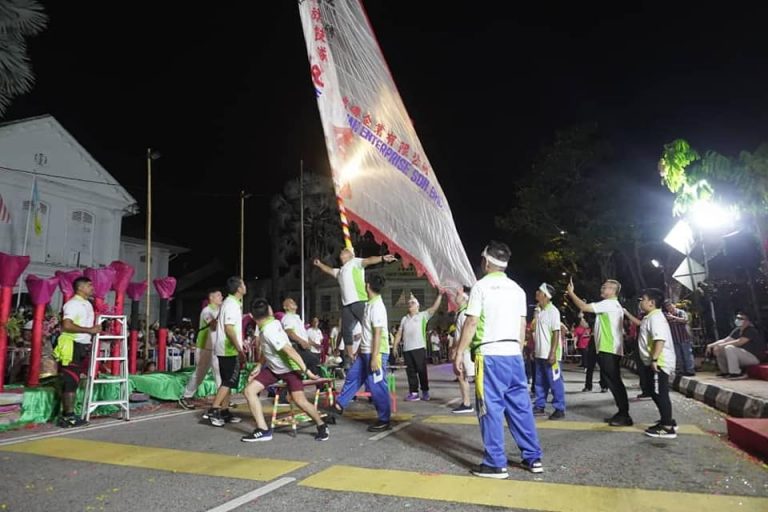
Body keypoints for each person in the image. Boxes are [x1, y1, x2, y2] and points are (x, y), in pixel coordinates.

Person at [454, 241, 543, 478]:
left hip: (490, 355)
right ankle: (533, 458)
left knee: (490, 409)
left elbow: (471, 322)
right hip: (514, 355)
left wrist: (459, 352)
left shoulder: (480, 287)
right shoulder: (518, 290)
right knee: (520, 408)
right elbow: (522, 325)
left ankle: (495, 463)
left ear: (485, 261)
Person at [241, 298, 328, 442]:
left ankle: (321, 425)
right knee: (249, 391)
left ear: (252, 315)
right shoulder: (268, 325)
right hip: (274, 369)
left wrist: (307, 372)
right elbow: (268, 350)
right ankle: (263, 430)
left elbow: (290, 351)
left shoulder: (270, 330)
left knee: (300, 401)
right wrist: (258, 366)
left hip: (290, 369)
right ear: (269, 311)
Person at [567, 278, 631, 426]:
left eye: (605, 287)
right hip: (608, 348)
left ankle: (624, 414)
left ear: (613, 291)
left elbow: (583, 306)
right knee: (613, 381)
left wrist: (571, 293)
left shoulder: (608, 304)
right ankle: (622, 412)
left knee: (615, 382)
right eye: (602, 287)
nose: (602, 289)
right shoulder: (612, 304)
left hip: (609, 348)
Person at [333, 273, 392, 432]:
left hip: (376, 353)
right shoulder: (369, 304)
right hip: (365, 352)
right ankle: (339, 406)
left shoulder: (377, 306)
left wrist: (375, 357)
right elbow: (367, 332)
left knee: (377, 386)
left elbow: (378, 333)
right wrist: (360, 351)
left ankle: (384, 419)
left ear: (367, 286)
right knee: (353, 376)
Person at [313, 250, 396, 360]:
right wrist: (320, 264)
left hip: (359, 301)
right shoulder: (340, 271)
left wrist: (382, 258)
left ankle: (375, 349)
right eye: (341, 252)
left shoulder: (355, 262)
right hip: (346, 305)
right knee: (345, 331)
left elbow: (369, 260)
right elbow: (328, 270)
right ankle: (351, 355)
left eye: (344, 251)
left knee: (367, 326)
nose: (341, 252)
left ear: (351, 255)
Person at [624, 289, 678, 438]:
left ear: (651, 302)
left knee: (661, 392)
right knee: (650, 389)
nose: (641, 301)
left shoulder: (656, 318)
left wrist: (654, 359)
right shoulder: (650, 317)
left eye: (643, 299)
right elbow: (641, 323)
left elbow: (659, 339)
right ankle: (667, 419)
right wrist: (627, 314)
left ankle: (667, 427)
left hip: (659, 361)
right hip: (652, 360)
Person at [52, 276, 101, 428]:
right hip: (71, 345)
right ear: (80, 288)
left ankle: (68, 413)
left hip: (81, 346)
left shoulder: (87, 304)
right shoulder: (73, 304)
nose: (92, 287)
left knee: (75, 381)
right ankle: (68, 416)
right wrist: (89, 330)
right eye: (89, 285)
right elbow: (66, 325)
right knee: (70, 381)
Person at [207, 276, 247, 427]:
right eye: (243, 284)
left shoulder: (231, 303)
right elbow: (229, 329)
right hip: (228, 348)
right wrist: (239, 348)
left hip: (225, 347)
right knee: (229, 380)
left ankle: (224, 411)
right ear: (238, 288)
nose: (245, 286)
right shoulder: (231, 304)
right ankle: (214, 410)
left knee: (227, 381)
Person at [178, 288, 224, 410]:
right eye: (218, 295)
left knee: (219, 371)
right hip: (205, 346)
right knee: (200, 373)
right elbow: (213, 325)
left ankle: (222, 399)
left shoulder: (219, 310)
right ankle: (185, 396)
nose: (221, 297)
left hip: (215, 347)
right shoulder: (207, 311)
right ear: (211, 298)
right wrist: (222, 315)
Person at [393, 292, 443, 401]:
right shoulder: (404, 319)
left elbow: (434, 308)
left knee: (421, 371)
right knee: (410, 372)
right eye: (409, 303)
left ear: (417, 306)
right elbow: (399, 334)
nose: (410, 304)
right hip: (407, 349)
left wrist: (439, 295)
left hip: (419, 348)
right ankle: (414, 393)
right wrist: (395, 346)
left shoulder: (422, 316)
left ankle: (425, 391)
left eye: (412, 302)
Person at [532, 283, 565, 420]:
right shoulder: (540, 311)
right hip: (540, 353)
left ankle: (560, 408)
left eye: (539, 291)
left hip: (551, 355)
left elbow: (556, 333)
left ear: (546, 295)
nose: (536, 293)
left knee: (555, 382)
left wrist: (552, 353)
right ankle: (540, 406)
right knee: (540, 382)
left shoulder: (553, 311)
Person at [706, 311, 767, 379]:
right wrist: (711, 345)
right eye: (737, 318)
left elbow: (739, 342)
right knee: (720, 349)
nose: (738, 320)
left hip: (754, 357)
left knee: (729, 348)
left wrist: (721, 345)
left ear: (747, 321)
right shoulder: (738, 330)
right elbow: (726, 340)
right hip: (744, 356)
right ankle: (725, 372)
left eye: (741, 318)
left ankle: (736, 373)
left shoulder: (751, 330)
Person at [281, 298, 320, 376]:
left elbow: (304, 335)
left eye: (293, 301)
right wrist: (301, 341)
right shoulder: (288, 318)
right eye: (290, 302)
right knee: (314, 361)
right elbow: (289, 332)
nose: (293, 302)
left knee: (312, 363)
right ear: (285, 307)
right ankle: (319, 383)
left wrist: (314, 344)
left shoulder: (297, 318)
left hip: (304, 348)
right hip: (297, 348)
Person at [451, 286, 474, 414]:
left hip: (466, 351)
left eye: (458, 294)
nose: (456, 296)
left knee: (463, 376)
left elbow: (465, 335)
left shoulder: (465, 314)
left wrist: (457, 350)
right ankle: (467, 402)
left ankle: (467, 403)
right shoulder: (461, 313)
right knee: (462, 376)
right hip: (464, 350)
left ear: (464, 298)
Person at [664, 301, 695, 376]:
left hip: (684, 337)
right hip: (674, 338)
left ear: (674, 305)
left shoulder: (681, 312)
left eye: (670, 305)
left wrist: (673, 317)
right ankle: (682, 370)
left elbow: (685, 320)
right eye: (667, 306)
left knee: (687, 354)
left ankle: (690, 370)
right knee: (678, 355)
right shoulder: (666, 316)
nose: (669, 308)